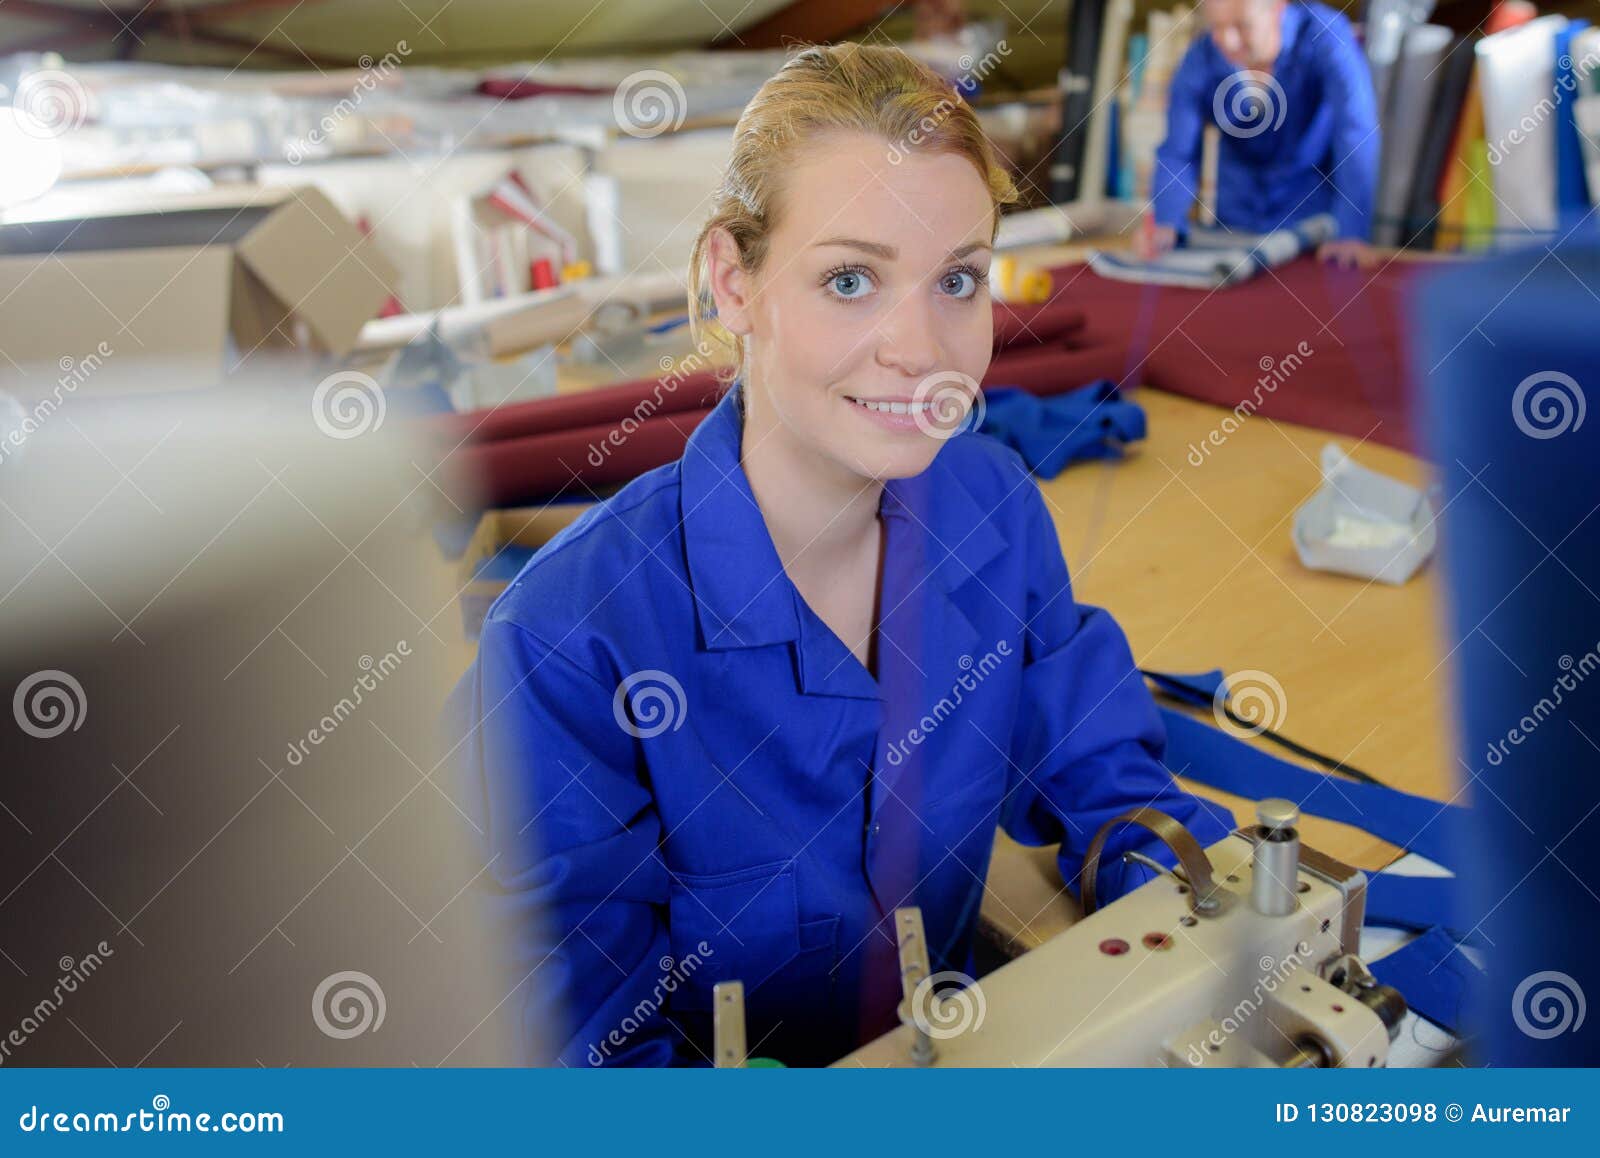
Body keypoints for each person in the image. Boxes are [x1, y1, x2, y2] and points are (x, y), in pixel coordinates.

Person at [448, 42, 1235, 1068]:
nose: (921, 348)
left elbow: (1097, 772)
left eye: (957, 279)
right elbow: (586, 1047)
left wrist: (1193, 907)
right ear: (734, 282)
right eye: (851, 279)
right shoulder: (566, 642)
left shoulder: (993, 511)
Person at [1139, 0, 1380, 269]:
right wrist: (1167, 221)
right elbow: (1178, 150)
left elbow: (1355, 130)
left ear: (1277, 7)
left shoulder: (1327, 35)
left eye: (1242, 26)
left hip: (1311, 232)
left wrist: (1351, 231)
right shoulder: (1200, 57)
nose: (1228, 42)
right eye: (1217, 27)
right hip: (1234, 231)